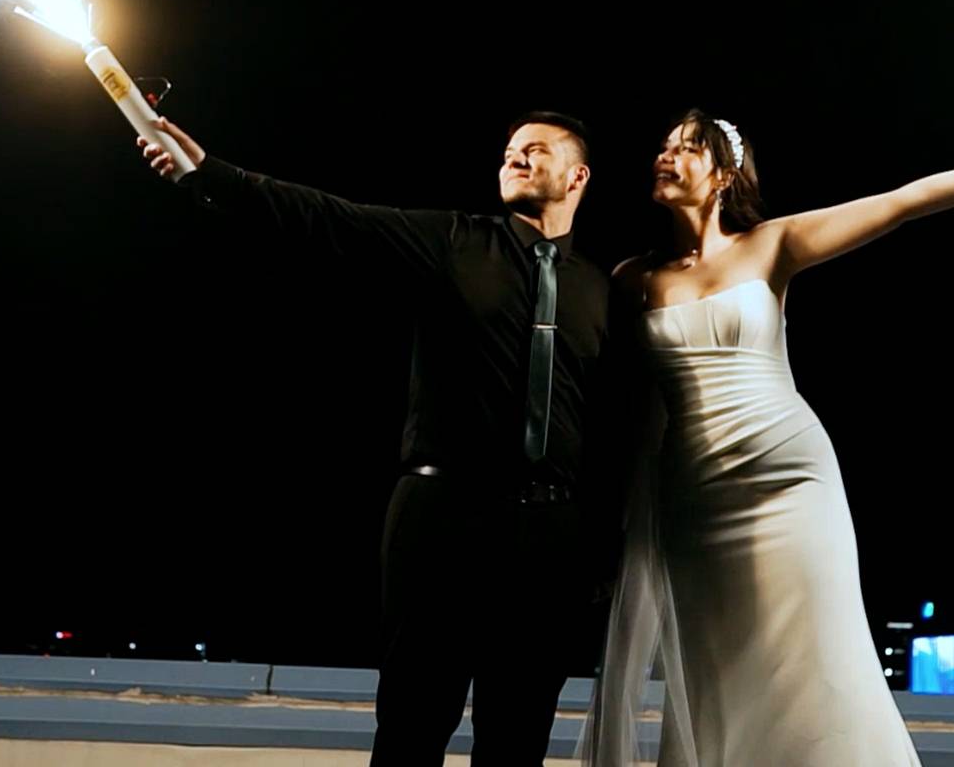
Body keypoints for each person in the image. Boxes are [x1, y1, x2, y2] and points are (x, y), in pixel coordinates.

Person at [582, 111, 954, 766]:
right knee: (716, 669)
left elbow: (904, 202)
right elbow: (633, 407)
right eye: (663, 146)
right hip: (694, 494)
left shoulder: (773, 244)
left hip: (791, 479)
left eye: (686, 148)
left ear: (724, 175)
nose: (665, 156)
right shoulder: (634, 279)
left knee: (820, 657)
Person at [140, 111, 629, 767]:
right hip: (441, 518)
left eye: (535, 150)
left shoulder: (600, 290)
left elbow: (611, 429)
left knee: (518, 737)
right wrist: (211, 174)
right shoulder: (453, 240)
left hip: (548, 538)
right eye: (509, 150)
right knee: (412, 725)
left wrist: (600, 549)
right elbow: (333, 219)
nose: (514, 158)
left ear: (578, 176)